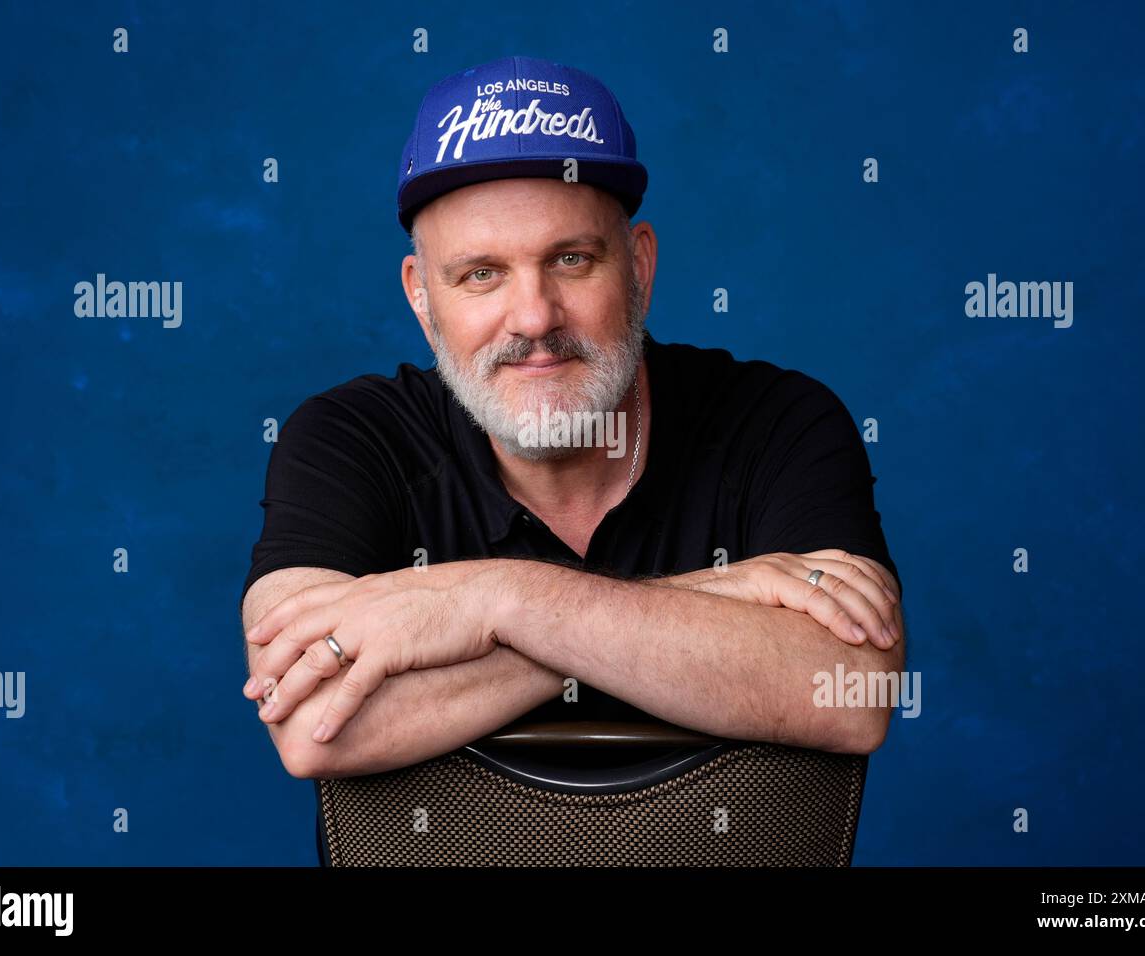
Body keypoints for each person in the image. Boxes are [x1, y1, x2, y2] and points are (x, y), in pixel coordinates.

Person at [239, 55, 904, 788]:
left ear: (640, 268)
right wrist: (712, 603)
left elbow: (852, 691)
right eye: (480, 274)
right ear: (423, 299)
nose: (533, 317)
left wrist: (492, 601)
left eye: (572, 259)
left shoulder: (778, 422)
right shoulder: (348, 441)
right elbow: (312, 725)